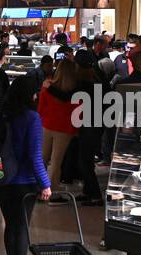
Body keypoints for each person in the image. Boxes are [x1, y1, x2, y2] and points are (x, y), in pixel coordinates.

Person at [0, 81, 51, 255]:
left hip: (1, 178)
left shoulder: (0, 114)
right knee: (21, 228)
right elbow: (35, 155)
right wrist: (45, 183)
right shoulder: (31, 118)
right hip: (24, 182)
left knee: (10, 224)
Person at [37, 58, 78, 199]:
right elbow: (78, 113)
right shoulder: (76, 92)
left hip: (46, 125)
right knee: (56, 161)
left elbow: (40, 108)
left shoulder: (47, 87)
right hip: (65, 129)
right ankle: (52, 192)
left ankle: (39, 187)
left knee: (42, 157)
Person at [72, 49, 105, 205]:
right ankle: (88, 191)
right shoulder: (98, 78)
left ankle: (96, 196)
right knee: (86, 160)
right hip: (98, 124)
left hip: (89, 125)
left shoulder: (82, 83)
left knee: (84, 161)